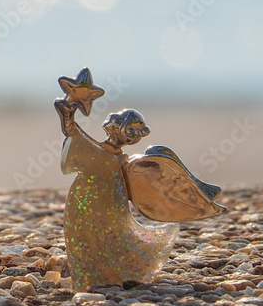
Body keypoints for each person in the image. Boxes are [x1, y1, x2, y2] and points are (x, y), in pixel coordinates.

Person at [55, 98, 178, 291]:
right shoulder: (102, 154)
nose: (132, 137)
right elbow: (74, 136)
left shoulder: (119, 160)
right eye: (130, 130)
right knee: (87, 237)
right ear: (115, 127)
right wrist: (67, 115)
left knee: (115, 235)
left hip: (113, 205)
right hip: (84, 202)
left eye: (137, 133)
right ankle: (89, 275)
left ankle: (113, 274)